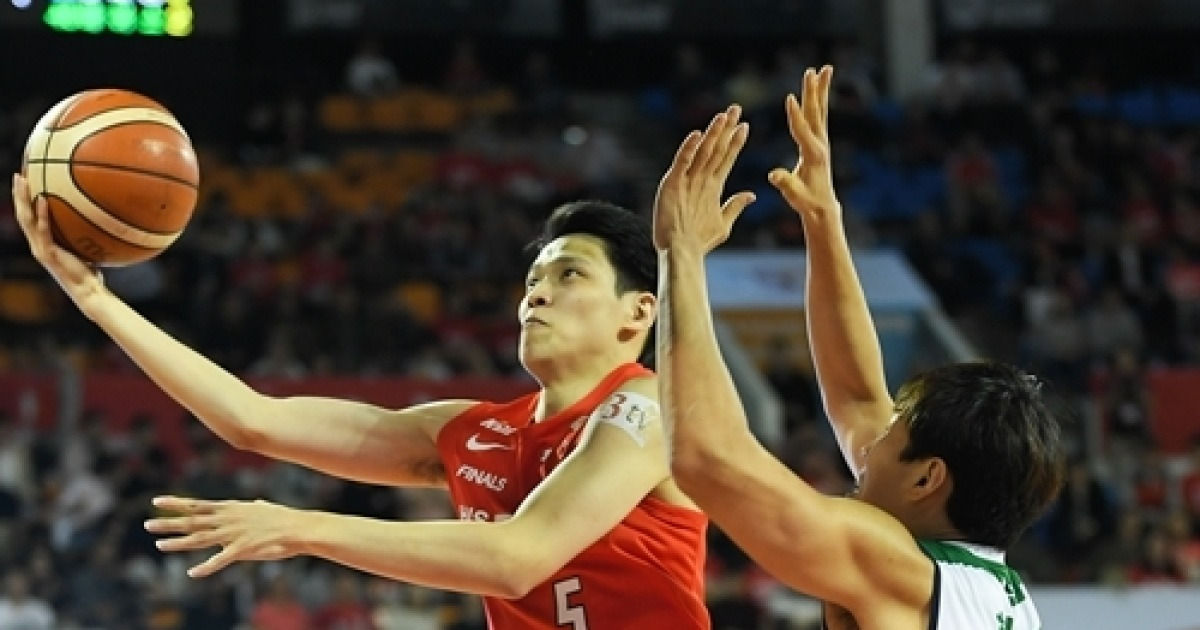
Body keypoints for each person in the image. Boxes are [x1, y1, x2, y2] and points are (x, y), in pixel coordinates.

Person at [10, 174, 710, 629]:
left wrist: (302, 528)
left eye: (569, 274)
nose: (537, 293)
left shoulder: (648, 410)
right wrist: (94, 299)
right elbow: (252, 420)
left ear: (638, 312)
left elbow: (518, 557)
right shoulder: (472, 430)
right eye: (532, 278)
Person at [652, 67, 1067, 629]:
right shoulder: (994, 586)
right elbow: (856, 396)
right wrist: (822, 217)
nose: (868, 447)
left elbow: (708, 459)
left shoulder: (896, 567)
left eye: (891, 435)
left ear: (927, 478)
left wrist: (680, 253)